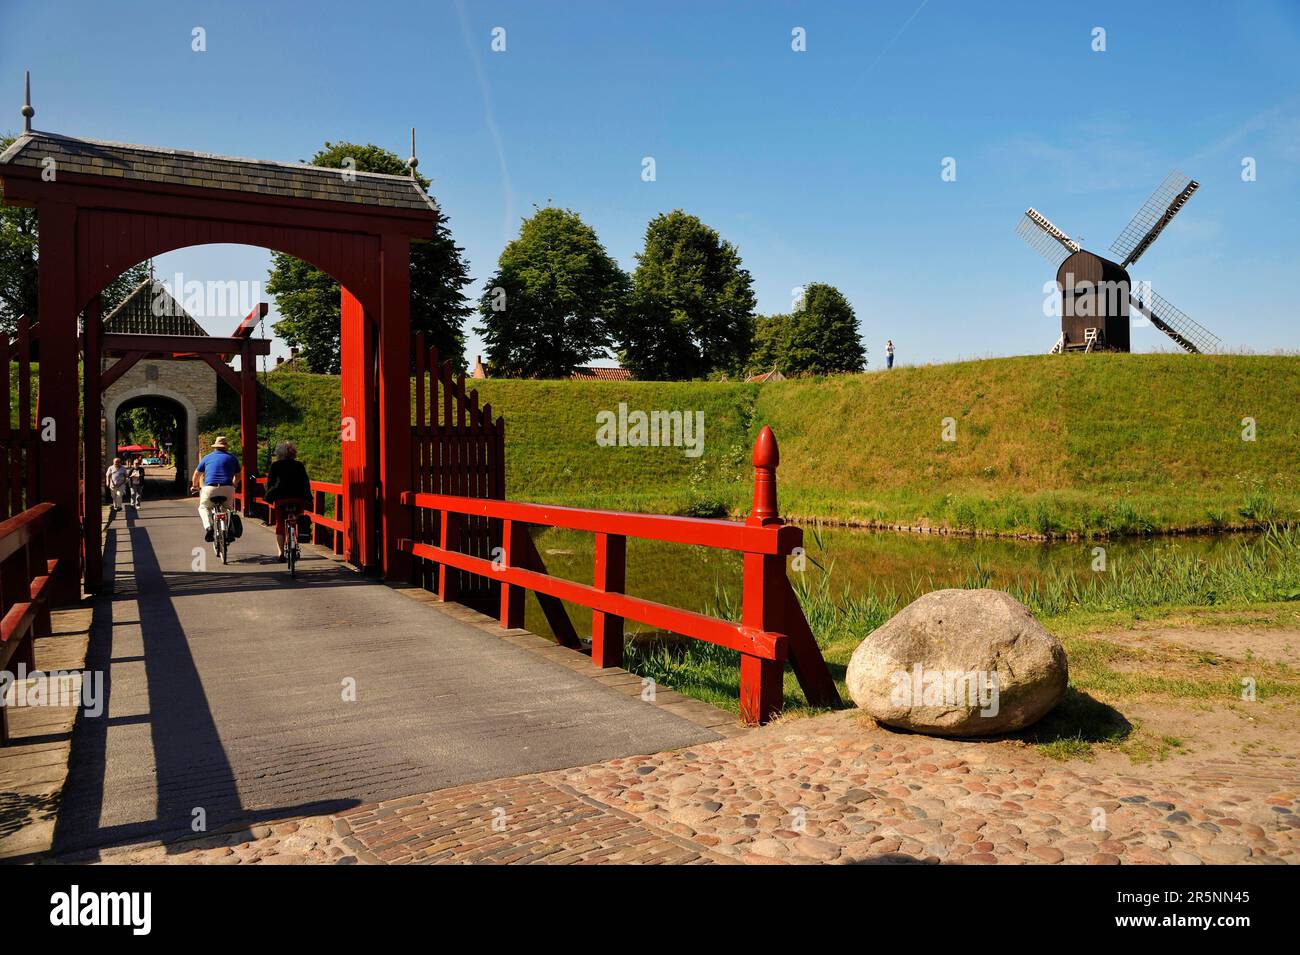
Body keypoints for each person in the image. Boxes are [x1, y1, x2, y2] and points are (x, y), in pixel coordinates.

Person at [263, 441, 312, 562]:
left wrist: (270, 494)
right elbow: (305, 482)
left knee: (280, 524)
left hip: (281, 499)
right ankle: (296, 537)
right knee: (298, 518)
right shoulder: (299, 465)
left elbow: (270, 483)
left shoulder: (275, 466)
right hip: (298, 498)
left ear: (279, 453)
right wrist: (308, 497)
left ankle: (280, 553)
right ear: (293, 452)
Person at [192, 436, 241, 542]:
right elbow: (238, 475)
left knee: (204, 507)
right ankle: (228, 531)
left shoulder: (207, 458)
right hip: (228, 488)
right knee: (227, 509)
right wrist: (234, 483)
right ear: (226, 447)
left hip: (210, 488)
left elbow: (196, 474)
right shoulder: (232, 458)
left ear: (215, 447)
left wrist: (194, 486)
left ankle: (209, 527)